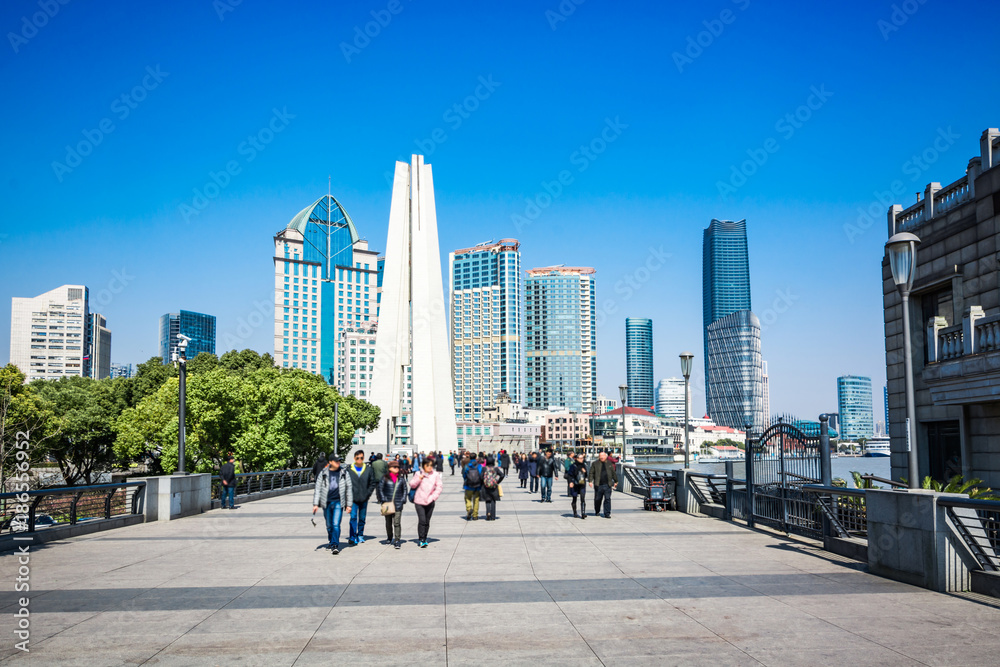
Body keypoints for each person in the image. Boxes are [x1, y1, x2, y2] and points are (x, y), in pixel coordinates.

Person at [312, 454, 353, 554]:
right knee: (329, 525)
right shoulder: (323, 473)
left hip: (339, 502)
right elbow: (317, 488)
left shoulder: (344, 472)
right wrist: (315, 504)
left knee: (336, 524)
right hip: (326, 502)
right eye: (336, 461)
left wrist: (349, 505)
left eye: (339, 461)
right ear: (330, 462)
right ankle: (331, 541)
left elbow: (349, 488)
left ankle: (335, 544)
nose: (338, 463)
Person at [409, 457, 443, 547]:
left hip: (430, 501)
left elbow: (439, 486)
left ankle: (425, 538)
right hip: (419, 501)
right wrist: (419, 478)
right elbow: (412, 484)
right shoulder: (418, 473)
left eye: (431, 465)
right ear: (423, 465)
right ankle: (421, 539)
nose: (429, 467)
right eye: (427, 465)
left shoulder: (435, 474)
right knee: (422, 520)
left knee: (427, 521)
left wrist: (433, 497)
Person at [347, 450, 376, 544]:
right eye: (357, 458)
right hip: (353, 498)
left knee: (362, 518)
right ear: (354, 458)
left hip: (364, 498)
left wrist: (368, 494)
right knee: (353, 517)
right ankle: (352, 536)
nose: (359, 459)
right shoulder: (349, 469)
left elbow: (372, 482)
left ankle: (360, 535)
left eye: (361, 458)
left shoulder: (368, 469)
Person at [378, 459, 407, 548]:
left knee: (397, 523)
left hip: (398, 504)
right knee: (388, 522)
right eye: (394, 467)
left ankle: (397, 540)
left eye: (398, 467)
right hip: (387, 504)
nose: (397, 468)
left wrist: (403, 499)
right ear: (390, 468)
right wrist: (383, 499)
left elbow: (405, 489)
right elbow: (380, 489)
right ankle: (389, 537)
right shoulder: (384, 478)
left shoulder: (401, 479)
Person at [588, 450, 618, 518]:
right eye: (601, 456)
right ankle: (597, 510)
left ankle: (607, 513)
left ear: (606, 456)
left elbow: (613, 473)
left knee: (607, 499)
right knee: (598, 499)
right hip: (598, 484)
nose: (602, 457)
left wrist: (616, 481)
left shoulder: (609, 463)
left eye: (603, 456)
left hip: (607, 484)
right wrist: (590, 481)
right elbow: (591, 472)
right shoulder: (595, 463)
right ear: (599, 457)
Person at [480, 455, 505, 521]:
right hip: (494, 486)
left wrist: (483, 483)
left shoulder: (484, 468)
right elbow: (502, 475)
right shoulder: (496, 468)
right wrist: (497, 482)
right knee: (493, 500)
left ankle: (488, 512)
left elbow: (481, 477)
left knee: (487, 500)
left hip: (486, 486)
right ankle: (493, 516)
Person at [462, 455, 485, 520]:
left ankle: (469, 509)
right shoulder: (479, 466)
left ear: (469, 458)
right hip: (477, 485)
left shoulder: (466, 466)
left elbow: (464, 475)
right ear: (476, 458)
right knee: (476, 500)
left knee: (467, 498)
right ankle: (475, 515)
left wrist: (466, 480)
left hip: (468, 485)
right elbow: (481, 475)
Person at [567, 453, 588, 519]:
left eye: (582, 458)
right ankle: (575, 512)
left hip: (582, 483)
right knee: (574, 498)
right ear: (577, 459)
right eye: (580, 458)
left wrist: (585, 472)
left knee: (582, 498)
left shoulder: (583, 465)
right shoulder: (573, 466)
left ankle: (583, 513)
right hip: (575, 483)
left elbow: (586, 476)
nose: (582, 459)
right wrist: (570, 482)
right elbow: (570, 475)